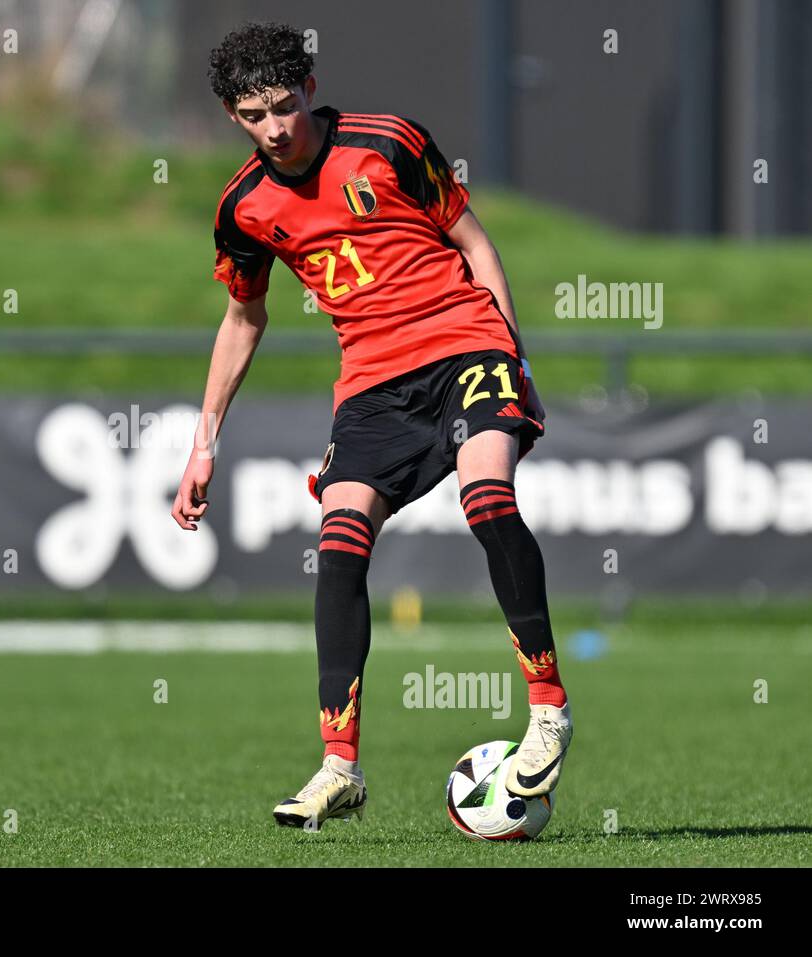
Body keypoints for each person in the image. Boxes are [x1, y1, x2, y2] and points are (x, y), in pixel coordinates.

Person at [170, 21, 572, 829]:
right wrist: (201, 445)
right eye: (254, 115)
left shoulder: (387, 144)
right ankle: (339, 766)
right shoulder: (244, 208)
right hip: (373, 386)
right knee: (340, 541)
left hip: (465, 344)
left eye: (285, 105)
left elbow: (472, 239)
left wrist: (512, 354)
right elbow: (244, 317)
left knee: (486, 494)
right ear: (233, 118)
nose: (276, 127)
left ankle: (548, 708)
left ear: (310, 91)